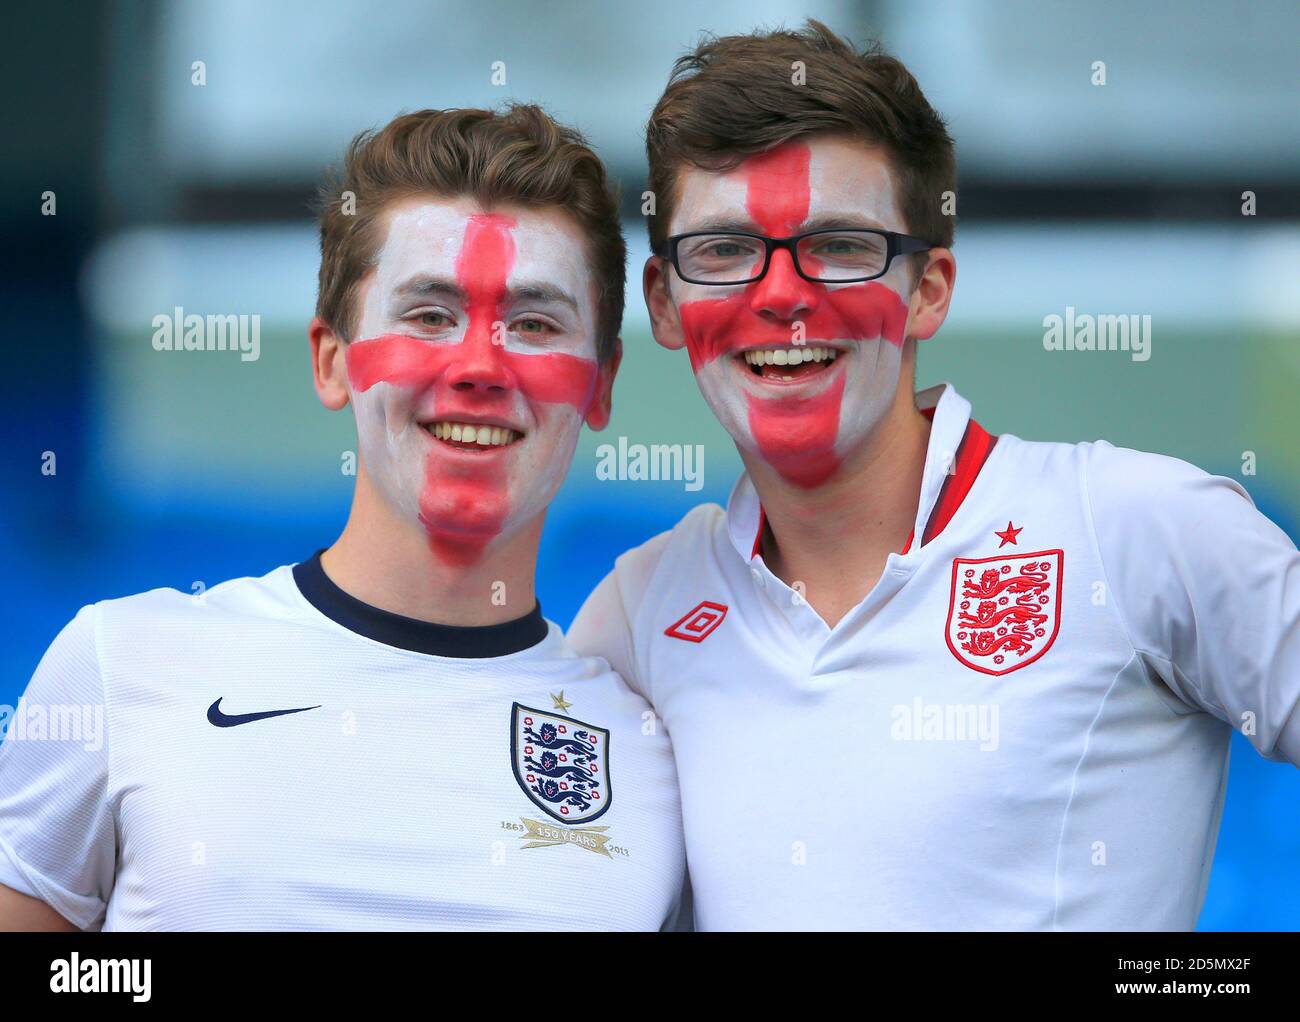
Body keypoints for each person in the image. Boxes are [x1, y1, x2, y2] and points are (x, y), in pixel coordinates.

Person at [568, 21, 1300, 930]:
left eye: (839, 244)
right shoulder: (641, 613)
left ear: (930, 288)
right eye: (723, 251)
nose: (782, 295)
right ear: (665, 304)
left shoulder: (1138, 527)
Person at [0, 104, 685, 931]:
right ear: (332, 361)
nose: (478, 366)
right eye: (429, 314)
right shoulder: (121, 664)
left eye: (535, 324)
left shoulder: (658, 755)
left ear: (601, 384)